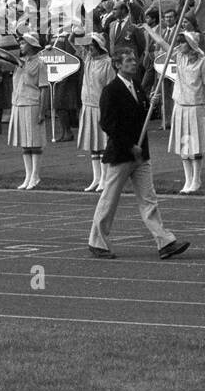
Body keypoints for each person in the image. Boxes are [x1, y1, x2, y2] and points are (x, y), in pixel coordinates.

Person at [86, 48, 190, 261]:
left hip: (141, 155)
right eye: (129, 60)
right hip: (121, 155)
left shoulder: (138, 87)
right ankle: (97, 242)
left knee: (149, 199)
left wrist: (150, 103)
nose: (134, 63)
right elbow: (107, 123)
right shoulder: (111, 90)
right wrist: (128, 145)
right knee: (109, 199)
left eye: (134, 59)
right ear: (118, 65)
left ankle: (165, 242)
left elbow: (140, 116)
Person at [164, 30, 205, 194]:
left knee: (195, 144)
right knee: (184, 145)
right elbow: (164, 45)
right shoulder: (179, 57)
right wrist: (148, 30)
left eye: (182, 42)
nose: (179, 45)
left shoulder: (204, 62)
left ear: (191, 44)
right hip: (181, 105)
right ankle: (187, 179)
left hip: (196, 105)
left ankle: (196, 178)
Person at [0, 32, 46, 190]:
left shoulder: (40, 63)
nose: (21, 46)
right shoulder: (17, 62)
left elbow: (44, 88)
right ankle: (28, 175)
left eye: (23, 43)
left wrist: (42, 111)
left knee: (34, 142)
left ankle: (35, 175)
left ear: (31, 45)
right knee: (25, 143)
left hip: (32, 103)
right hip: (18, 103)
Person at [76, 33, 116, 191]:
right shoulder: (88, 59)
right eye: (87, 47)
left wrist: (109, 108)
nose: (88, 49)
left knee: (103, 143)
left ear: (99, 47)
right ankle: (96, 178)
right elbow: (74, 42)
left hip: (102, 107)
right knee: (93, 143)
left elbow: (111, 87)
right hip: (88, 105)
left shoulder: (108, 63)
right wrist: (76, 31)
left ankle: (106, 179)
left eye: (91, 47)